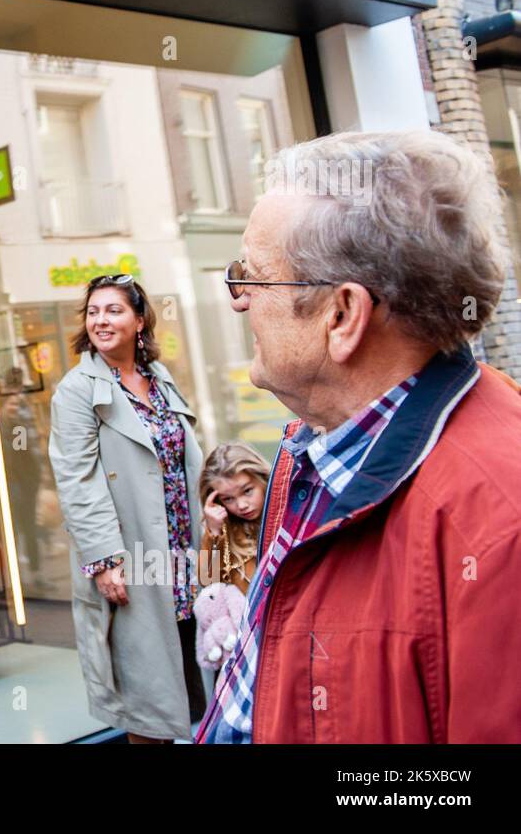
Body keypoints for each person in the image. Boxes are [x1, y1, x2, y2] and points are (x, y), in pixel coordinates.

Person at [198, 129, 521, 744]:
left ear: (342, 317)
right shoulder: (315, 448)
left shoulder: (500, 525)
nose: (238, 301)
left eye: (252, 276)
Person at [48, 274, 206, 743]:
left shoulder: (160, 379)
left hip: (183, 550)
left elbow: (184, 455)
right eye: (93, 312)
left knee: (189, 671)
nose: (101, 320)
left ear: (140, 321)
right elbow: (77, 479)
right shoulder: (76, 390)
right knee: (147, 695)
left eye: (113, 310)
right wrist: (105, 559)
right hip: (131, 557)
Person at [196, 442, 269, 595]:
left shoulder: (288, 515)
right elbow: (207, 580)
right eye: (228, 499)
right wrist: (214, 532)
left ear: (263, 479)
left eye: (247, 491)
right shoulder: (225, 533)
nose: (241, 505)